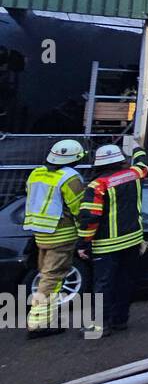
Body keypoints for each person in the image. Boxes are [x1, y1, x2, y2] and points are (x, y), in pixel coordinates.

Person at [77, 143, 148, 336]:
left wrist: (83, 243)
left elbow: (90, 217)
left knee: (103, 284)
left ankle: (100, 325)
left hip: (106, 244)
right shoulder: (134, 175)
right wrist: (137, 148)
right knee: (125, 282)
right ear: (120, 161)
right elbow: (143, 164)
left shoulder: (97, 185)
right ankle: (120, 320)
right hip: (133, 240)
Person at [22, 139, 86, 338]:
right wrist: (85, 233)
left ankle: (44, 318)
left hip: (39, 232)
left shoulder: (37, 173)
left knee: (46, 276)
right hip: (61, 233)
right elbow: (78, 208)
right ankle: (38, 323)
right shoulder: (70, 178)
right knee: (52, 278)